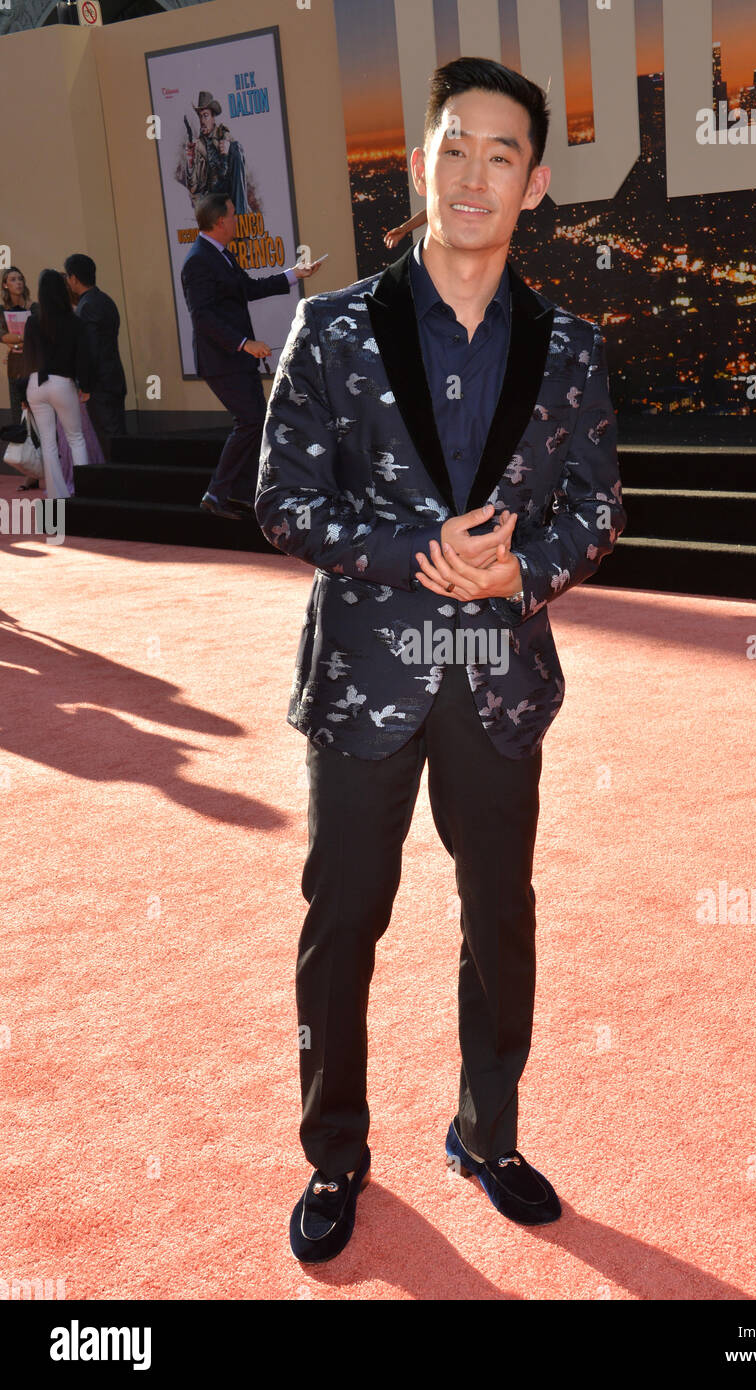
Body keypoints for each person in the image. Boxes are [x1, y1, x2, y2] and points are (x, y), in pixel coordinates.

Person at [255, 56, 627, 1264]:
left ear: (535, 183)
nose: (472, 175)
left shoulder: (568, 347)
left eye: (500, 155)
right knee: (343, 917)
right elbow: (282, 502)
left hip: (499, 681)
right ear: (420, 165)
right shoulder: (331, 327)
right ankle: (335, 1153)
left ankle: (489, 1130)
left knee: (498, 915)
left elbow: (595, 505)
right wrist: (413, 552)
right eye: (452, 148)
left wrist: (524, 571)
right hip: (367, 676)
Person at [180, 192, 322, 519]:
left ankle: (238, 493)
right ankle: (216, 493)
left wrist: (293, 274)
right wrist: (244, 343)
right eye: (232, 215)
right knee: (250, 421)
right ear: (219, 222)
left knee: (255, 423)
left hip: (235, 358)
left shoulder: (220, 254)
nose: (236, 220)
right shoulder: (199, 260)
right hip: (221, 360)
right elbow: (202, 317)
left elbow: (249, 288)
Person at [21, 269, 94, 500]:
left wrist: (23, 393)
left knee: (48, 443)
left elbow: (28, 359)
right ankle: (85, 494)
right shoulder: (74, 321)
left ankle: (56, 494)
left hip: (36, 383)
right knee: (76, 438)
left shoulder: (32, 322)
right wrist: (86, 386)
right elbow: (83, 357)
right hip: (62, 383)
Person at [63, 253, 127, 462]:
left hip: (100, 385)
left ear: (73, 278)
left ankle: (122, 486)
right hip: (114, 377)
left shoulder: (86, 306)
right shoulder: (106, 300)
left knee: (110, 441)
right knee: (117, 437)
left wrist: (86, 386)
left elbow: (89, 350)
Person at [179, 92, 249, 214]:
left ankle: (241, 216)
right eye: (200, 117)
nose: (202, 121)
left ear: (213, 117)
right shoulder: (197, 145)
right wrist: (190, 163)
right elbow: (193, 187)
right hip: (212, 194)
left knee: (236, 147)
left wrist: (227, 152)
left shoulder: (224, 135)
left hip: (228, 187)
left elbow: (239, 167)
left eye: (205, 116)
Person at [1, 265, 38, 418]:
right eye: (13, 280)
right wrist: (24, 339)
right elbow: (2, 335)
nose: (18, 283)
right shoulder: (2, 310)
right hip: (15, 366)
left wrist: (15, 342)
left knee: (38, 412)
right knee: (18, 415)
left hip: (34, 364)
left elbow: (39, 335)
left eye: (20, 279)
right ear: (5, 285)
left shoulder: (35, 308)